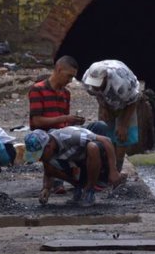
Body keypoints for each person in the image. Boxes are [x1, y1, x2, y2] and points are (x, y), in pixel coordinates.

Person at [28, 55, 109, 192]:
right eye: (69, 76)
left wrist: (74, 122)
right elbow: (36, 122)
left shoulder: (66, 93)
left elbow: (64, 124)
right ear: (59, 69)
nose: (70, 80)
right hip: (46, 135)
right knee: (57, 138)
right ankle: (59, 178)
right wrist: (65, 118)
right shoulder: (38, 89)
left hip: (63, 134)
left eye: (72, 77)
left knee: (100, 127)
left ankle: (98, 175)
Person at [24, 127, 126, 206]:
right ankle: (80, 187)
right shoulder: (49, 151)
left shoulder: (71, 136)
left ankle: (89, 190)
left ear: (48, 147)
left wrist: (113, 170)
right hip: (79, 164)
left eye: (41, 155)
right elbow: (48, 171)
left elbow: (106, 140)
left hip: (98, 162)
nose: (40, 159)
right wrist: (46, 188)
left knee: (92, 147)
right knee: (50, 163)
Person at [82, 60, 140, 171]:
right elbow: (96, 93)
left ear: (105, 78)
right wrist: (103, 107)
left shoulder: (121, 84)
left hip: (126, 102)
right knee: (105, 131)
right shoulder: (86, 80)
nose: (94, 86)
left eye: (97, 83)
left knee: (122, 136)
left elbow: (133, 101)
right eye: (92, 83)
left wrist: (124, 125)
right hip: (106, 100)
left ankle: (117, 168)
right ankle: (107, 166)